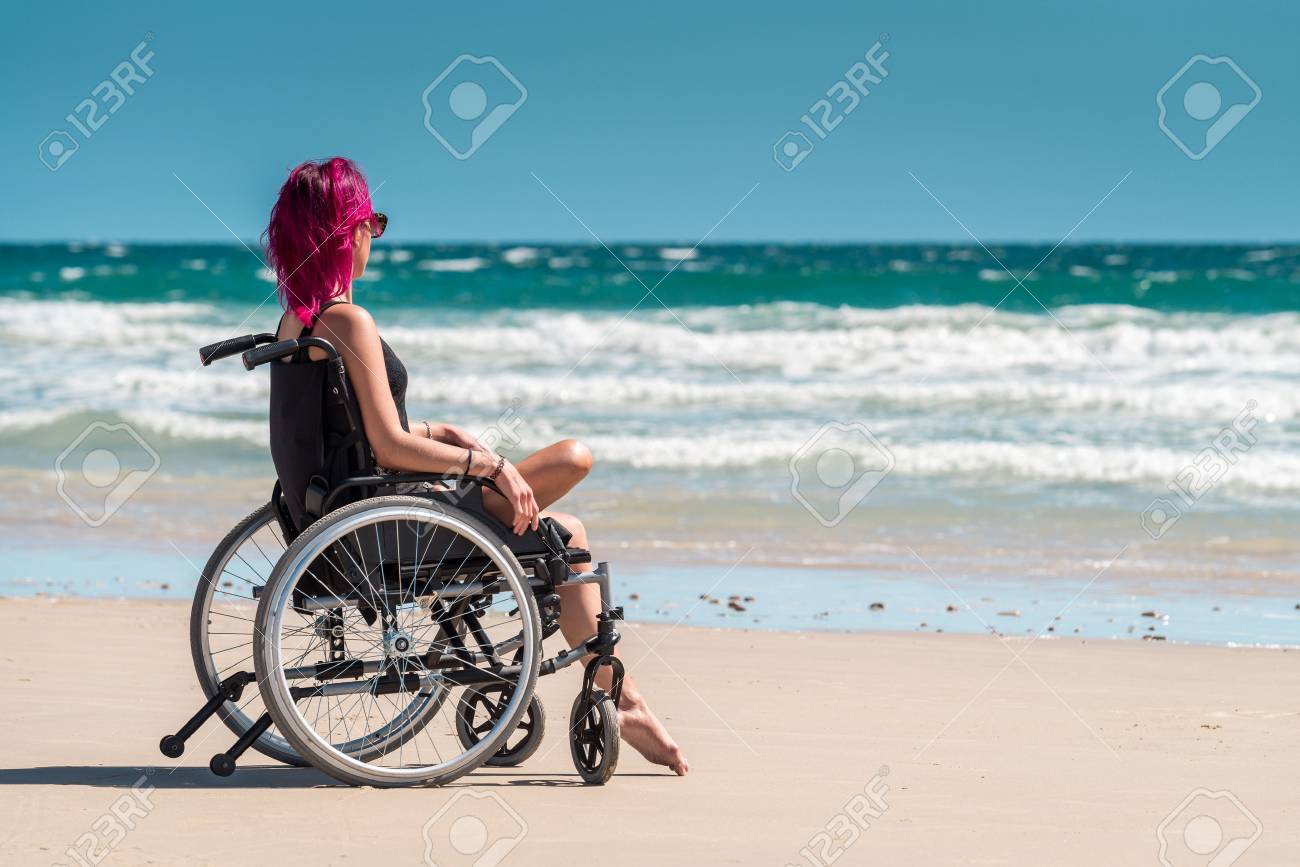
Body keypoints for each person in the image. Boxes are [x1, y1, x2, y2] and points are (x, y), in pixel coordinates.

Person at [265, 157, 687, 775]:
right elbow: (389, 448)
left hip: (346, 519)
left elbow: (349, 431)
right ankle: (624, 702)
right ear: (344, 229)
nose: (374, 236)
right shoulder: (348, 320)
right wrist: (487, 468)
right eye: (370, 222)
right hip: (384, 527)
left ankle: (626, 701)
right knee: (572, 467)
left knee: (563, 530)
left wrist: (444, 434)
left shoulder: (298, 321)